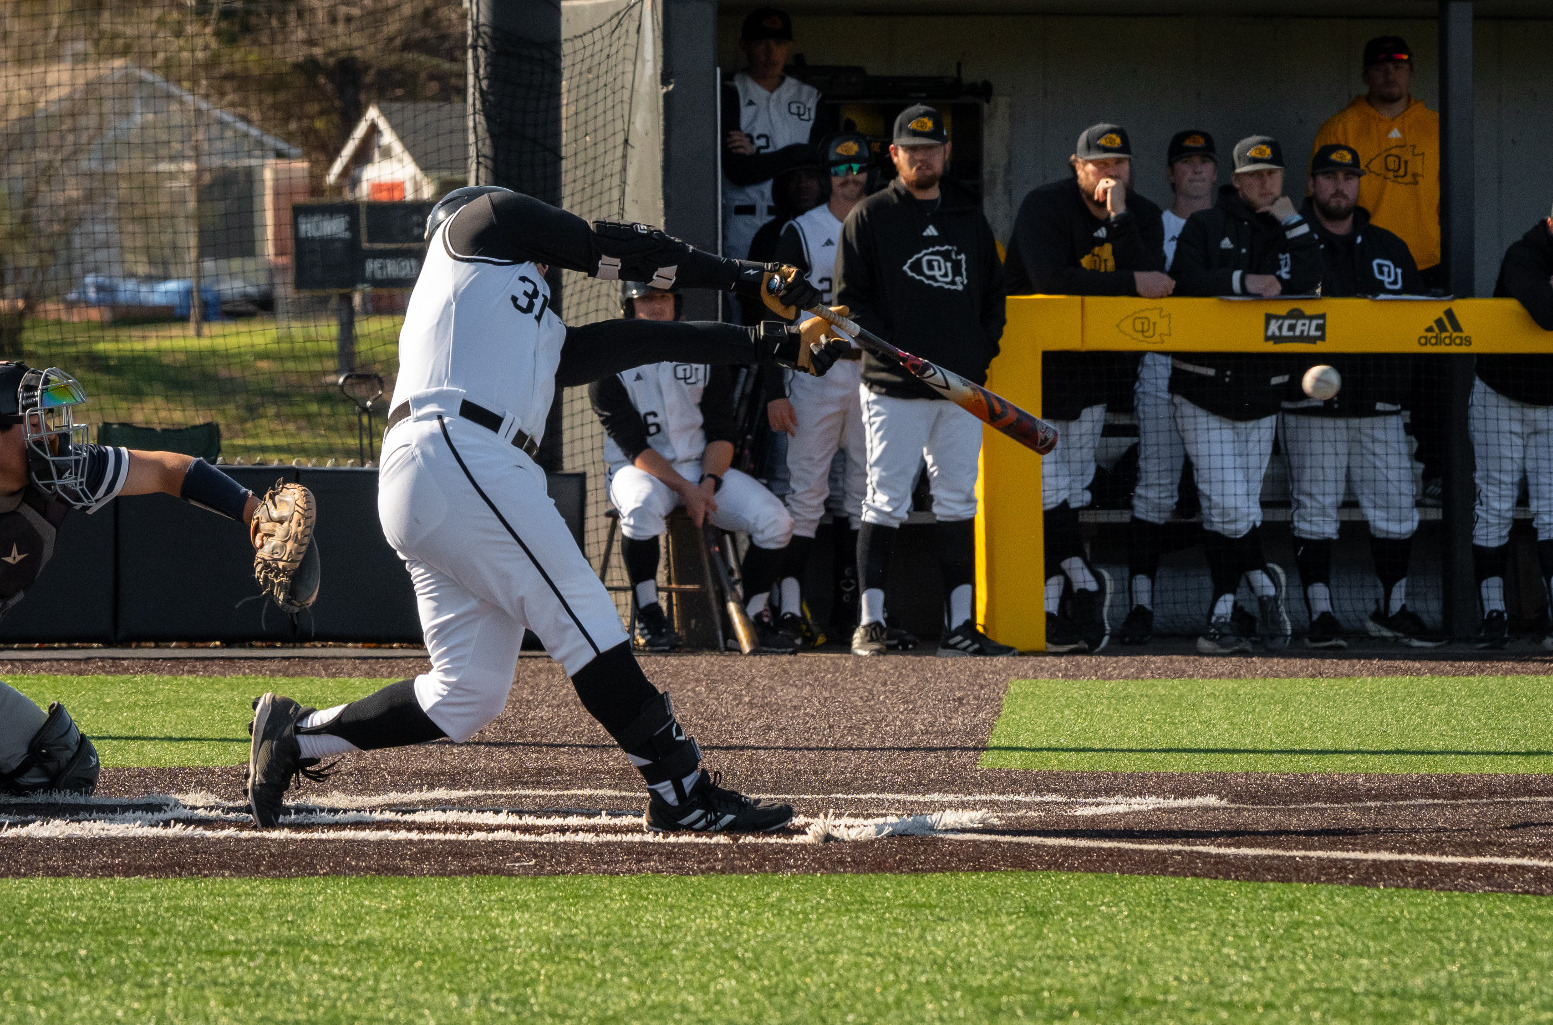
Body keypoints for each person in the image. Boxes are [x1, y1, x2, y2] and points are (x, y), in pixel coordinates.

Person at [245, 185, 847, 834]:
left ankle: (296, 734)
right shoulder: (482, 224)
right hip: (460, 451)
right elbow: (618, 248)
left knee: (465, 696)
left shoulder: (520, 322)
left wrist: (770, 343)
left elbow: (637, 341)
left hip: (444, 472)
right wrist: (745, 276)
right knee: (585, 618)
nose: (547, 266)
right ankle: (680, 786)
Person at [0, 361, 318, 796]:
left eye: (46, 419)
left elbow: (171, 470)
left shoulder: (62, 475)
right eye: (31, 422)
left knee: (59, 763)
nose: (49, 436)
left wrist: (255, 517)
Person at [835, 105, 1013, 657]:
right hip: (894, 387)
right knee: (884, 500)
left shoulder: (968, 217)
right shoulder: (869, 217)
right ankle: (871, 623)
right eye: (912, 149)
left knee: (958, 500)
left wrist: (978, 354)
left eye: (931, 148)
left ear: (946, 153)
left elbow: (993, 300)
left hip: (960, 389)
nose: (922, 157)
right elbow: (851, 307)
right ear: (893, 155)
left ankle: (961, 626)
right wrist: (898, 356)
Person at [1004, 122, 1170, 654]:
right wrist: (1126, 284)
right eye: (1098, 163)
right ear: (1077, 166)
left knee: (1072, 490)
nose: (1109, 172)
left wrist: (1119, 219)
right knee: (1046, 491)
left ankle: (1056, 608)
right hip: (1034, 373)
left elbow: (1155, 282)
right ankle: (1083, 577)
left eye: (1119, 163)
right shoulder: (1044, 206)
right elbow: (1051, 280)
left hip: (1096, 375)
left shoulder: (1139, 214)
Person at [1283, 144, 1442, 649]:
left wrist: (1395, 389)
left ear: (1359, 184)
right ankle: (1321, 615)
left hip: (1379, 408)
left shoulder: (1389, 247)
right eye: (1329, 176)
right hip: (1311, 407)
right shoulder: (1291, 242)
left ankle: (1392, 610)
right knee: (1315, 512)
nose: (1339, 186)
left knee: (1397, 510)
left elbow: (1417, 327)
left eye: (1349, 177)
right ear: (1312, 184)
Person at [1169, 135, 1323, 654]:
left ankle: (1224, 611)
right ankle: (1255, 587)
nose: (1264, 183)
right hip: (1201, 389)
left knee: (1229, 513)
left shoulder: (1290, 229)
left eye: (1273, 175)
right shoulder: (1205, 225)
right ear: (1235, 181)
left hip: (1263, 393)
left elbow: (1312, 275)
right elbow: (1184, 280)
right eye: (1254, 175)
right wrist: (1241, 280)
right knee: (1233, 509)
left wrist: (1292, 219)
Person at [592, 281, 797, 654]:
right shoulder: (609, 361)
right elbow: (634, 446)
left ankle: (749, 618)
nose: (655, 307)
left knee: (776, 521)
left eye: (663, 298)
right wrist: (687, 491)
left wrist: (707, 482)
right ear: (629, 307)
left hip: (700, 467)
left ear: (677, 303)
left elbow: (722, 432)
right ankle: (650, 615)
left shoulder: (703, 351)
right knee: (639, 508)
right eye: (645, 299)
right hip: (637, 470)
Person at [1312, 34, 1447, 501]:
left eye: (1400, 64)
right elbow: (1324, 200)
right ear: (1367, 73)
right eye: (1382, 65)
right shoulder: (1342, 126)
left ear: (1411, 73)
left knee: (1432, 373)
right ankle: (1338, 475)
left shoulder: (1436, 125)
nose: (1391, 72)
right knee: (1362, 368)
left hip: (1425, 264)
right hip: (1358, 265)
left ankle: (1437, 469)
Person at [766, 132, 872, 645]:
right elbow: (776, 310)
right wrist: (774, 385)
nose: (849, 177)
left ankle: (858, 616)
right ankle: (790, 611)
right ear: (827, 174)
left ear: (872, 172)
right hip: (815, 369)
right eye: (839, 169)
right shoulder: (801, 231)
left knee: (864, 494)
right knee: (804, 493)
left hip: (870, 369)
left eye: (858, 169)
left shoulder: (882, 223)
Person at [1119, 130, 1218, 645]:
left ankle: (1226, 608)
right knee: (1155, 489)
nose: (1196, 170)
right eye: (1187, 162)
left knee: (1224, 494)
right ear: (1171, 173)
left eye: (1205, 162)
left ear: (1217, 172)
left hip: (1220, 370)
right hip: (1160, 362)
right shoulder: (1149, 223)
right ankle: (1140, 604)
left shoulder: (1230, 224)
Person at [1470, 207, 1553, 649]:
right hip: (1500, 398)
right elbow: (1546, 311)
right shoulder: (1525, 253)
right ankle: (1493, 613)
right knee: (1495, 506)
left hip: (1551, 406)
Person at [721, 7, 820, 263]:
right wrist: (798, 153)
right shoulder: (729, 93)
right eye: (761, 43)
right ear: (745, 46)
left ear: (789, 46)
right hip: (744, 220)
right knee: (743, 297)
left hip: (801, 220)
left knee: (800, 299)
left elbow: (821, 163)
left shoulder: (810, 97)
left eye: (778, 43)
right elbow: (739, 171)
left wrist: (761, 160)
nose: (770, 51)